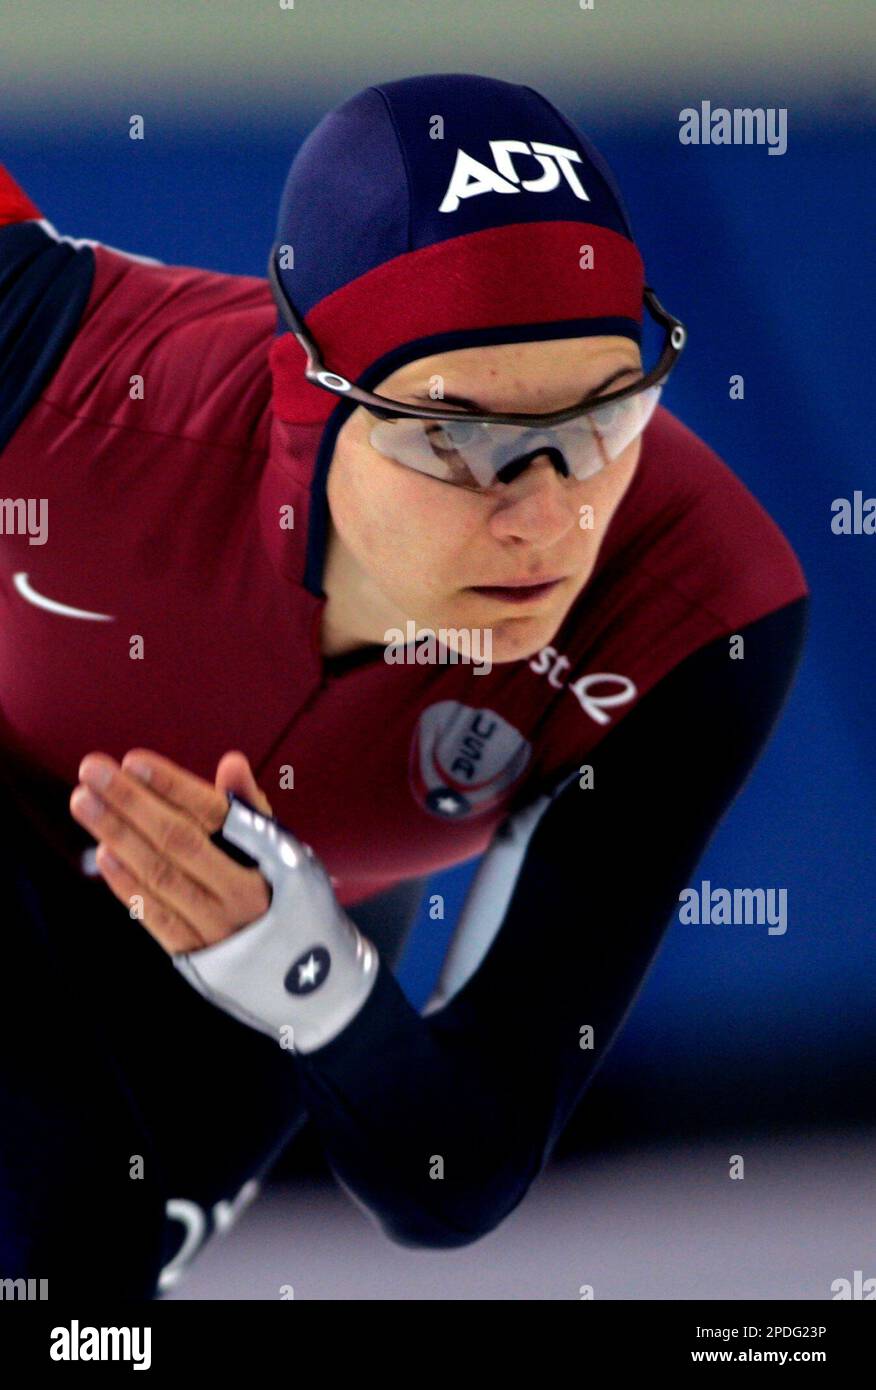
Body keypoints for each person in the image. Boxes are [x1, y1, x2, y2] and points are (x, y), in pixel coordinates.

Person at [0, 73, 808, 1298]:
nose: (547, 516)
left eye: (602, 414)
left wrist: (298, 965)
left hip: (274, 925)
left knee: (73, 1298)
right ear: (304, 398)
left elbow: (456, 1163)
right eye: (456, 434)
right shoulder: (61, 371)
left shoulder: (697, 599)